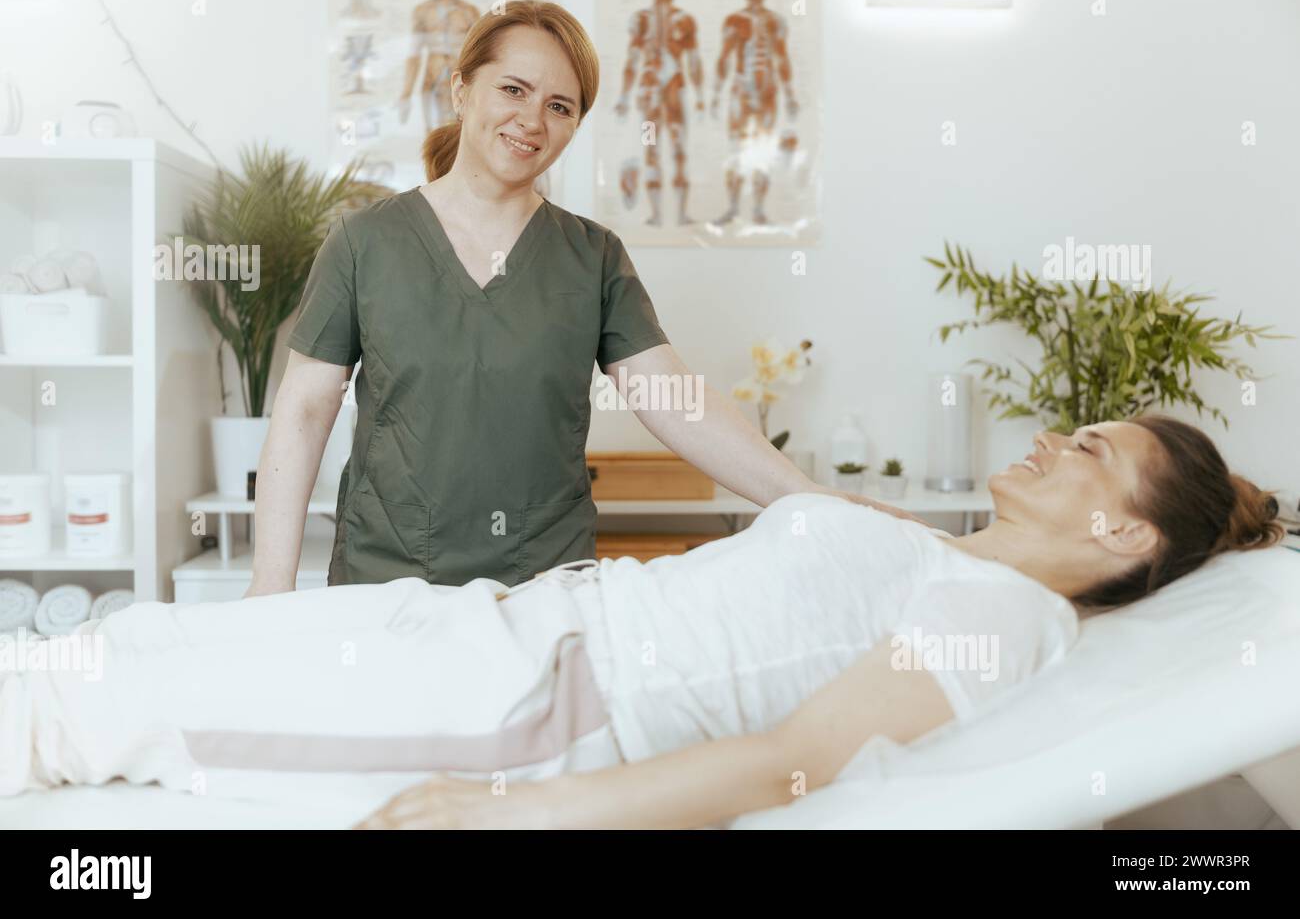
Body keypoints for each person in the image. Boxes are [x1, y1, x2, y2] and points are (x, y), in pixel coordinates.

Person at [0, 417, 1282, 828]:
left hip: (528, 710)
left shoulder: (1002, 619)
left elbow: (797, 759)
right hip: (491, 628)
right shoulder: (941, 550)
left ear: (1124, 535)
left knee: (94, 708)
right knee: (129, 644)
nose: (1055, 437)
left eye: (1092, 448)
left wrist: (502, 812)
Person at [252, 0, 914, 597]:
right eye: (513, 89)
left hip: (545, 587)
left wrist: (808, 498)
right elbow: (306, 409)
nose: (532, 120)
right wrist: (269, 586)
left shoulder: (592, 257)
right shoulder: (364, 241)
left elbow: (670, 399)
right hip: (388, 581)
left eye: (560, 106)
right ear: (461, 90)